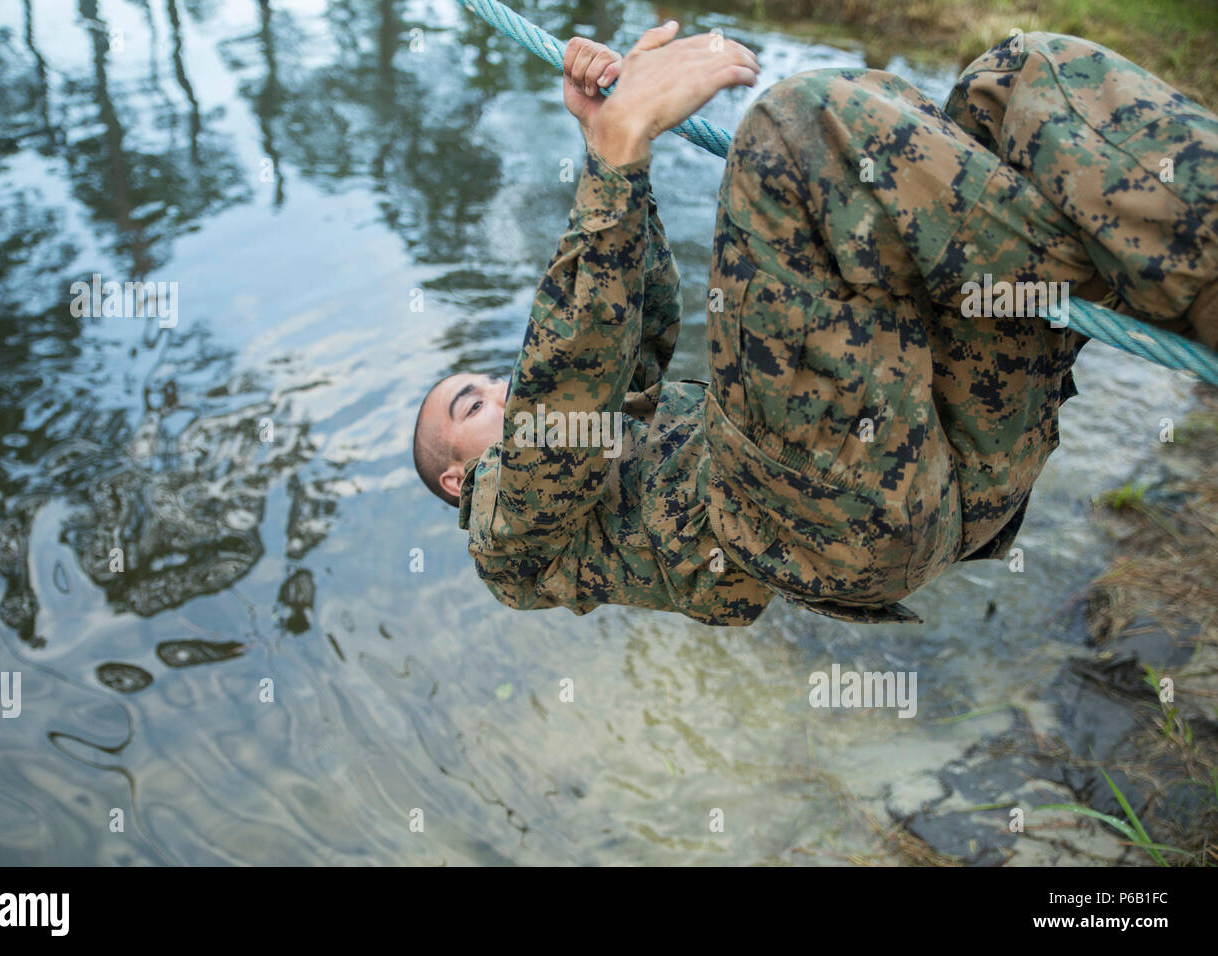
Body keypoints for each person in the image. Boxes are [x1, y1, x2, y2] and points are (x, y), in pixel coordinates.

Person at [412, 23, 1218, 625]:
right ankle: (1134, 263)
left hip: (953, 436)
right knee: (792, 131)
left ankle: (1190, 261)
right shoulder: (508, 544)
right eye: (471, 404)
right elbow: (560, 419)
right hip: (841, 526)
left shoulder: (607, 425)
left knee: (1011, 80)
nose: (500, 387)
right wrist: (613, 157)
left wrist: (619, 146)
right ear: (457, 478)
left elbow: (635, 333)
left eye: (487, 380)